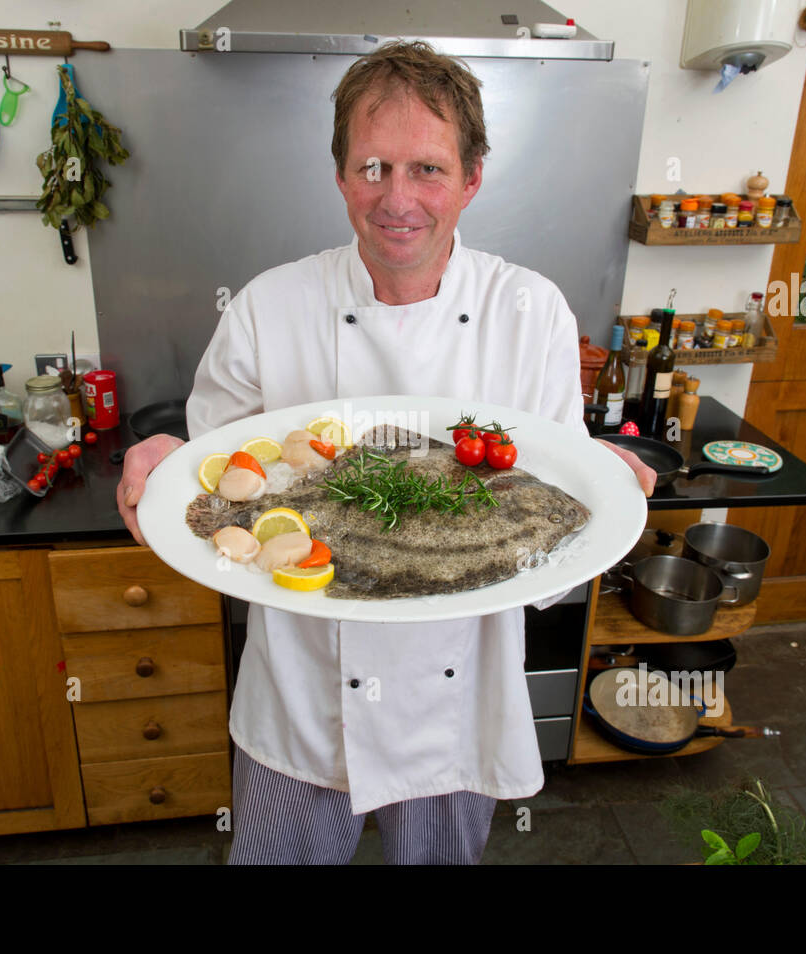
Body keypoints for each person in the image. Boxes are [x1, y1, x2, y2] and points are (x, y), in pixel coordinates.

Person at [116, 40, 656, 865]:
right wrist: (163, 459)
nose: (397, 198)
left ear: (473, 177)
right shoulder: (270, 306)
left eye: (427, 169)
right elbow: (219, 482)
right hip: (300, 695)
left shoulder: (530, 310)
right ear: (339, 176)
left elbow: (553, 505)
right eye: (372, 167)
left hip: (457, 702)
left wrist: (608, 495)